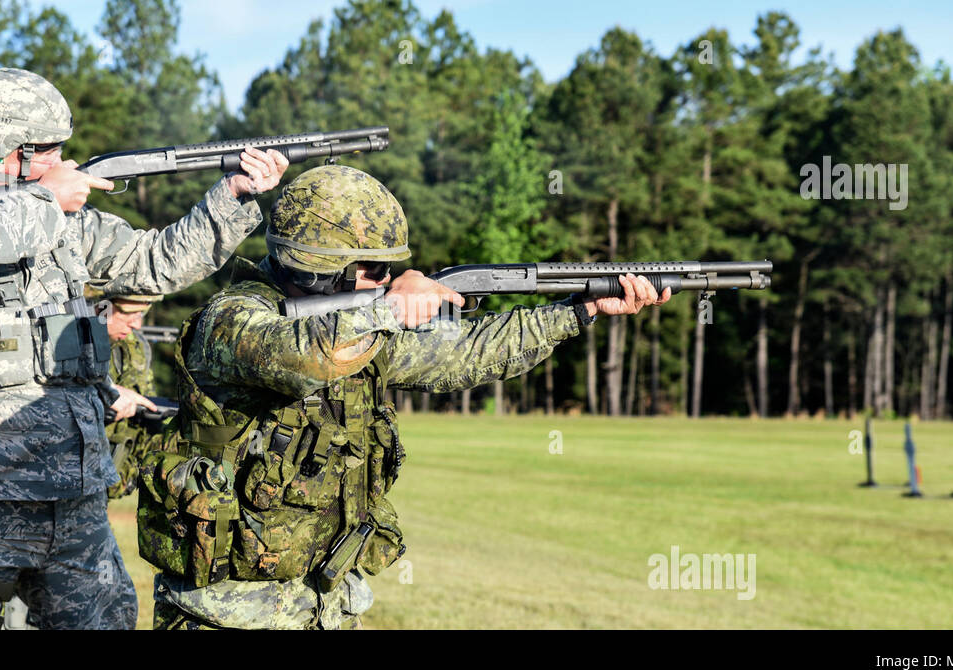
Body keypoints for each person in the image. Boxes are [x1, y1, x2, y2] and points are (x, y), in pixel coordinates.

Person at [141, 164, 670, 630]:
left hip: (326, 608)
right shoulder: (233, 319)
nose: (388, 280)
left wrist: (580, 311)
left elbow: (469, 353)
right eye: (375, 270)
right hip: (227, 615)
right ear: (321, 267)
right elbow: (304, 357)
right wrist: (392, 308)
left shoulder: (362, 330)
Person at [0, 66, 287, 630]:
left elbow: (157, 263)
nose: (65, 163)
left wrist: (233, 196)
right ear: (6, 150)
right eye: (51, 150)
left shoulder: (69, 223)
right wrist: (48, 199)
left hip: (75, 493)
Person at [101, 292, 163, 500]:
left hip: (111, 467)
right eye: (130, 315)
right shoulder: (68, 343)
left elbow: (146, 391)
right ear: (103, 309)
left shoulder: (136, 345)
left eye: (140, 316)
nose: (135, 325)